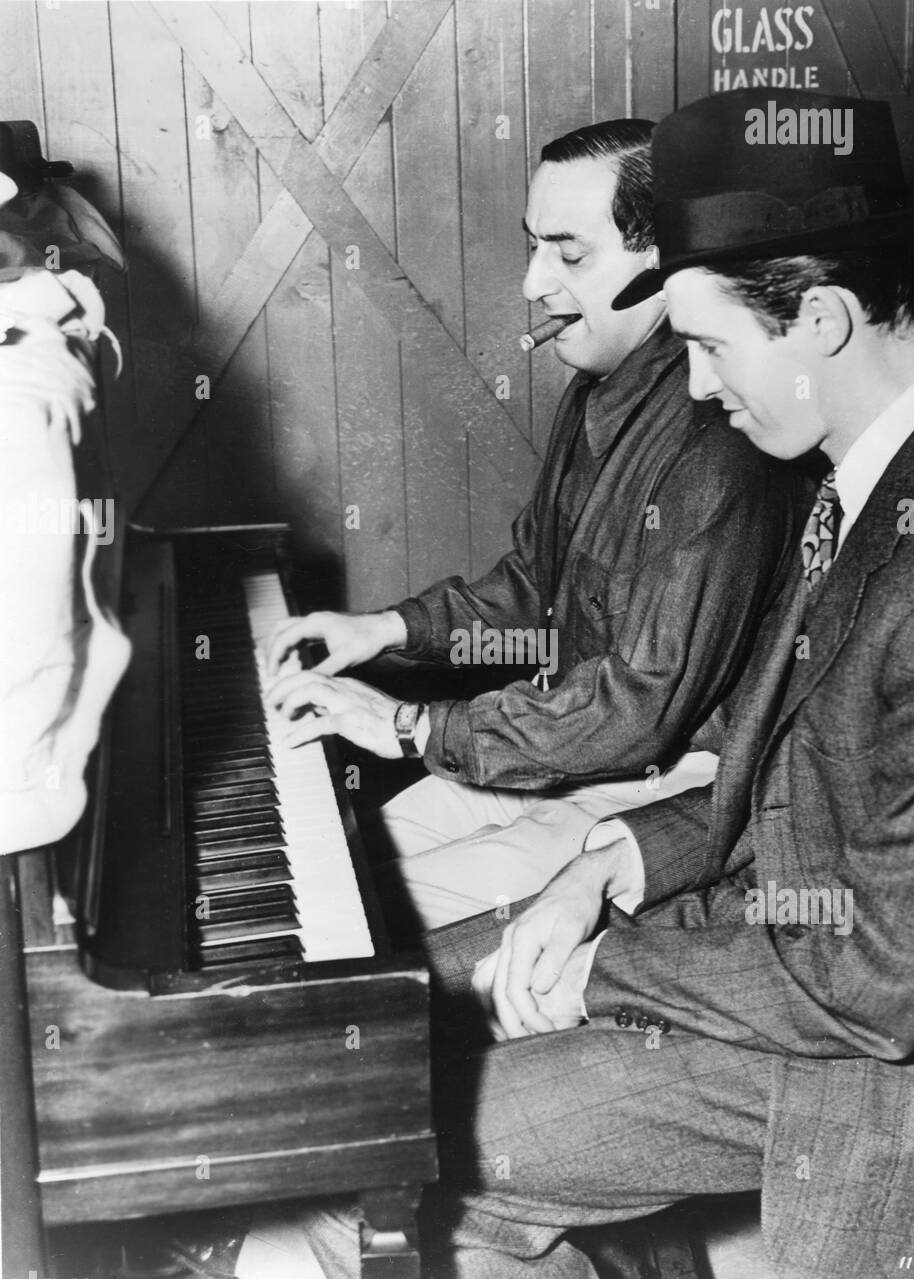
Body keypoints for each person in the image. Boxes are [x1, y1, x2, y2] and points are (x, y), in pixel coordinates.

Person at [418, 91, 914, 1279]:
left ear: (825, 321)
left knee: (426, 1143)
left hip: (883, 1051)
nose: (689, 391)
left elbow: (880, 984)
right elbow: (775, 770)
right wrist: (607, 866)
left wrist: (594, 976)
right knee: (397, 1003)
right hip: (773, 942)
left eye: (708, 345)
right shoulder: (870, 472)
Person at [264, 119, 808, 930]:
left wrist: (411, 725)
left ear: (664, 261)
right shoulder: (598, 386)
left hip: (673, 788)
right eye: (533, 247)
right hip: (563, 747)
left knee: (360, 927)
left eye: (568, 253)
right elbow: (534, 589)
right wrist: (381, 630)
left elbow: (638, 709)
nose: (531, 284)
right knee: (328, 869)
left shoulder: (715, 441)